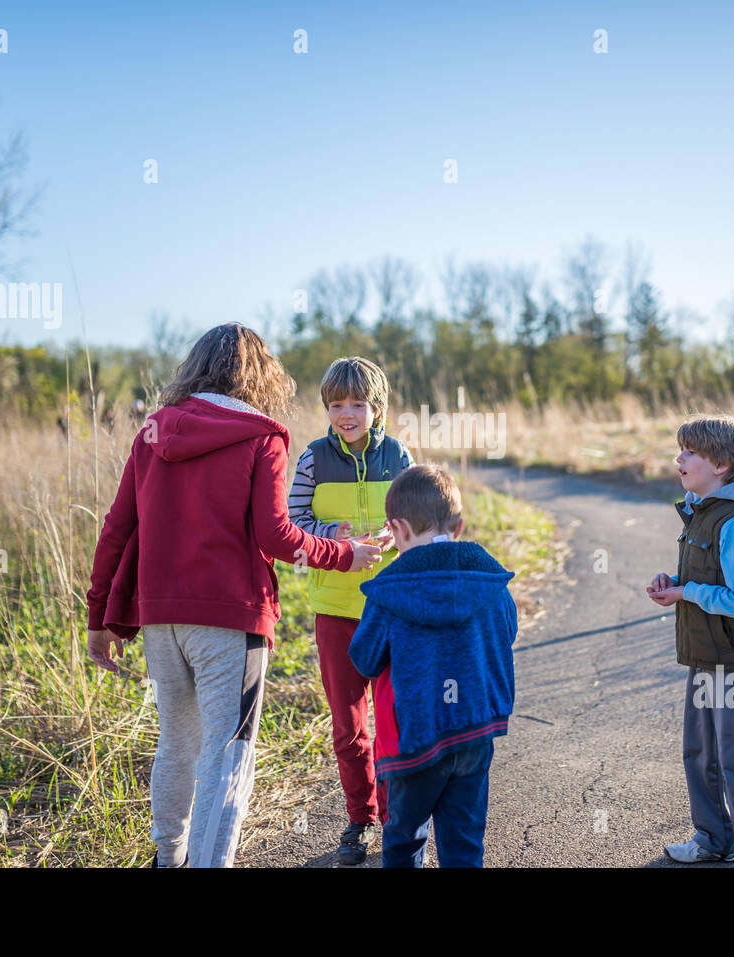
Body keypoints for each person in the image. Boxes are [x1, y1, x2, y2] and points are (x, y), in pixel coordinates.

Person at [84, 323, 382, 868]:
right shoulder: (261, 435)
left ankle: (167, 857)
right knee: (227, 754)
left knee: (176, 744)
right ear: (260, 374)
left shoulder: (152, 431)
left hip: (158, 617)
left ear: (195, 367)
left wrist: (98, 617)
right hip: (230, 618)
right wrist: (345, 555)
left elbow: (117, 528)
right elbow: (275, 536)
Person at [349, 464, 517, 868]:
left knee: (404, 841)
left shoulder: (390, 590)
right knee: (463, 842)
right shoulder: (488, 581)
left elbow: (365, 658)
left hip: (414, 738)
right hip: (475, 729)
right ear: (457, 527)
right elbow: (507, 631)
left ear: (398, 529)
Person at [287, 356, 414, 865]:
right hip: (334, 608)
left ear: (375, 407)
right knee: (349, 724)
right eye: (336, 404)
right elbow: (292, 522)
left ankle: (397, 819)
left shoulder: (400, 455)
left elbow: (416, 519)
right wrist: (331, 536)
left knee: (395, 718)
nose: (346, 413)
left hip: (391, 610)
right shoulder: (313, 459)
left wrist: (394, 532)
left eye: (357, 404)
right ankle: (359, 818)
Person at [647, 412, 734, 868]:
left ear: (721, 465)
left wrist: (688, 591)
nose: (679, 458)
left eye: (690, 452)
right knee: (700, 754)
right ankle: (713, 840)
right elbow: (708, 581)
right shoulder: (699, 514)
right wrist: (675, 583)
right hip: (704, 656)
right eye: (681, 449)